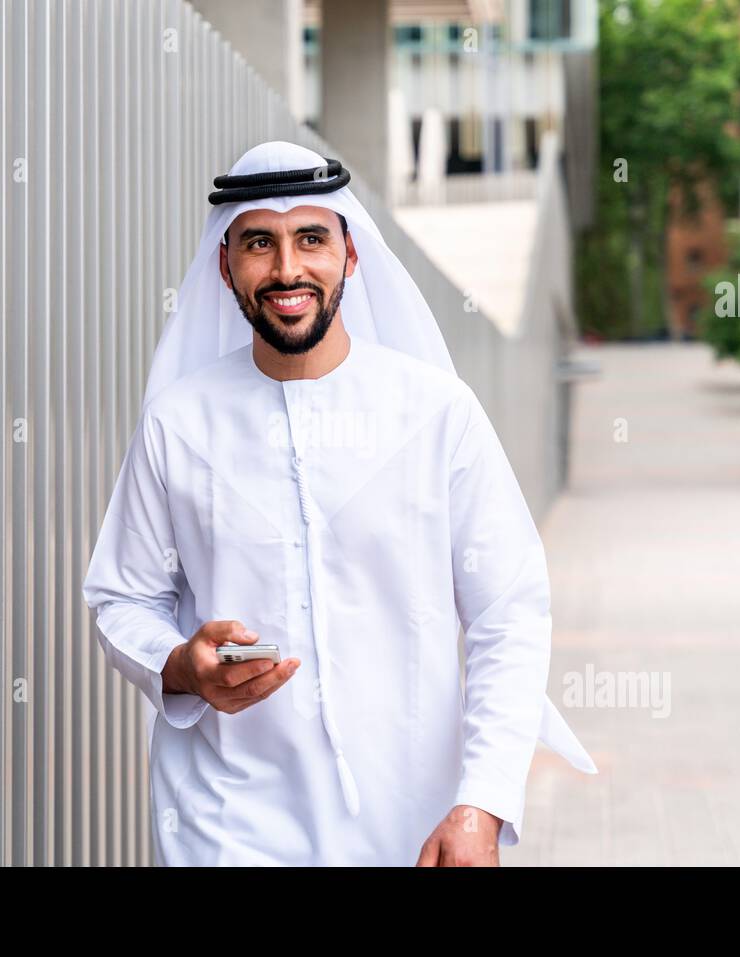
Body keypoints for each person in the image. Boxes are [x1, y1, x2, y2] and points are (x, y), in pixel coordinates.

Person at [82, 141, 596, 866]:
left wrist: (481, 804)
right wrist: (179, 664)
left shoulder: (435, 412)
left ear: (350, 254)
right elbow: (120, 597)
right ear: (226, 265)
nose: (287, 269)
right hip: (226, 823)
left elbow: (507, 612)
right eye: (259, 242)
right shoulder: (179, 421)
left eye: (311, 239)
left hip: (410, 821)